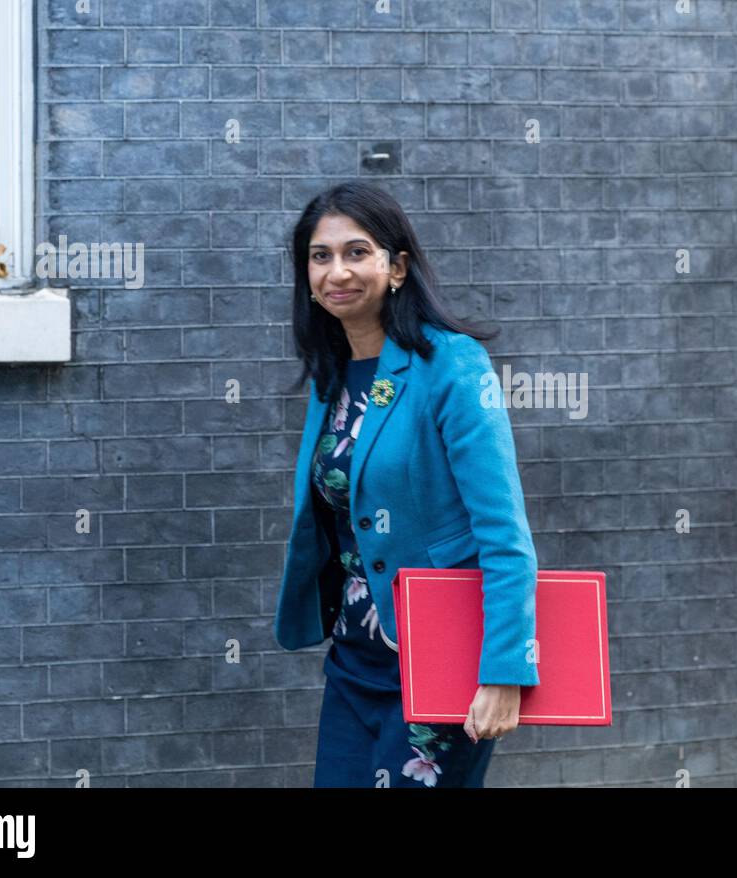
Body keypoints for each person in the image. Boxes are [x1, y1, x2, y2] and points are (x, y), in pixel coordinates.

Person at [273, 181, 540, 788]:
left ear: (396, 267)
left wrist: (504, 672)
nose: (337, 271)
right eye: (321, 256)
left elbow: (503, 530)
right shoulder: (331, 376)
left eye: (356, 252)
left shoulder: (452, 365)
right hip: (353, 663)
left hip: (443, 663)